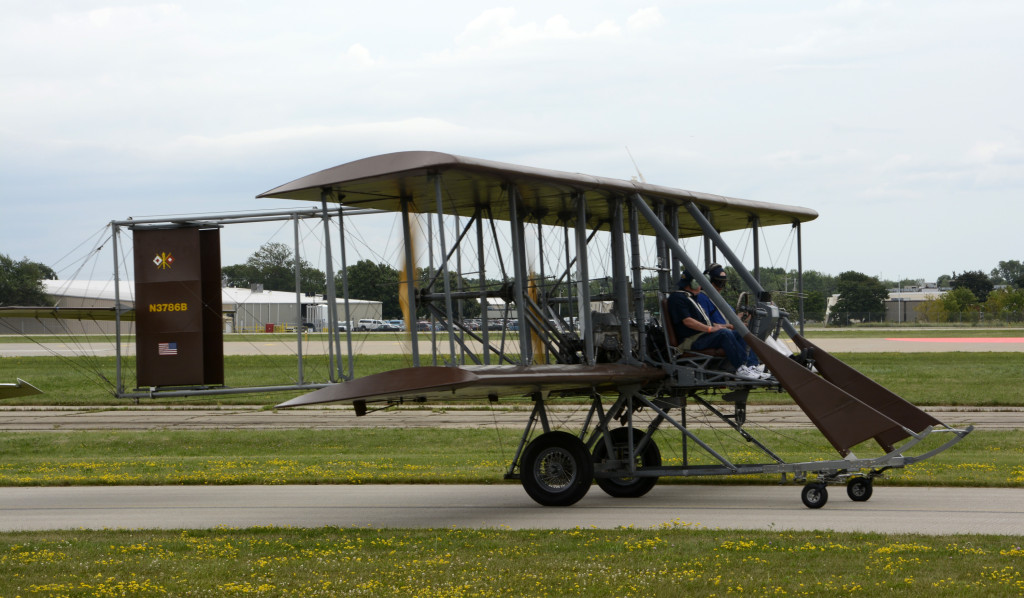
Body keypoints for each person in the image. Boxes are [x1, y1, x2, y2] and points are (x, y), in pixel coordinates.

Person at [667, 270, 768, 381]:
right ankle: (740, 369)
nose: (702, 286)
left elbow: (705, 322)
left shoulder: (691, 297)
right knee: (724, 334)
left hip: (702, 336)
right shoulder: (677, 298)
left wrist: (726, 326)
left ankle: (751, 366)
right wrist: (710, 329)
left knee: (740, 332)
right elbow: (688, 321)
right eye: (700, 282)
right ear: (694, 283)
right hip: (691, 340)